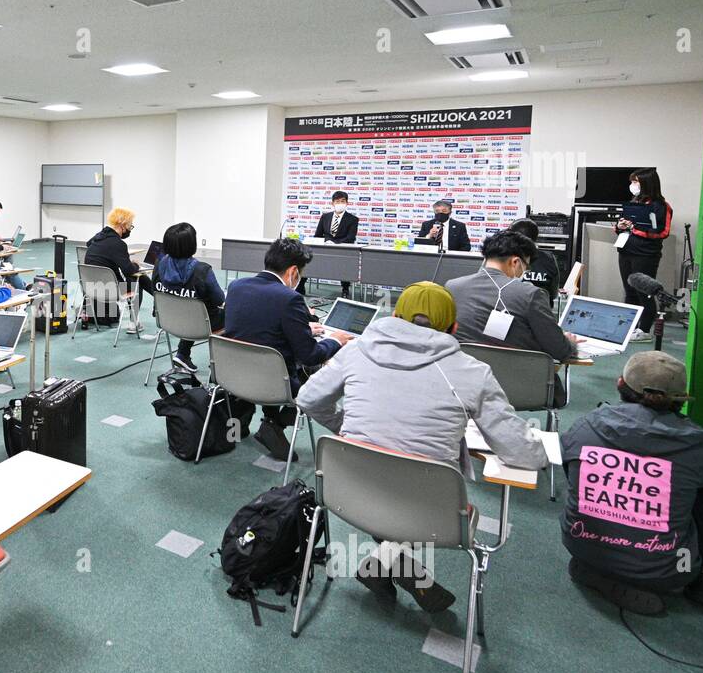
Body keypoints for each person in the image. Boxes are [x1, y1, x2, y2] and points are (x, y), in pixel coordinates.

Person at [298, 282, 548, 610]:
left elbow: (308, 399)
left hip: (347, 494)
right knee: (416, 486)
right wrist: (544, 454)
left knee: (396, 479)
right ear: (454, 328)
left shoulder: (356, 350)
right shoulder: (474, 373)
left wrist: (348, 432)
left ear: (396, 315)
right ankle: (391, 562)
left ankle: (384, 562)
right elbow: (521, 453)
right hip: (432, 513)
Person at [561, 351, 703, 614]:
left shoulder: (585, 425)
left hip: (579, 544)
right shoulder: (700, 445)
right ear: (680, 399)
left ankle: (601, 568)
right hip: (671, 570)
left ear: (620, 384)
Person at [223, 237, 351, 462]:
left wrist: (302, 328)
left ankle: (264, 421)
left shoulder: (236, 286)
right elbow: (310, 355)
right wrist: (337, 341)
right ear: (293, 271)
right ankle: (275, 423)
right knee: (311, 373)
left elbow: (256, 325)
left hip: (233, 376)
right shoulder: (290, 298)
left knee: (273, 353)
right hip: (275, 383)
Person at [446, 229, 578, 406]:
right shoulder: (531, 294)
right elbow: (560, 350)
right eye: (526, 266)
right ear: (515, 262)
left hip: (462, 384)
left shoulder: (453, 287)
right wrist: (570, 342)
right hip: (521, 388)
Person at [152, 221, 225, 373]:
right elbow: (219, 300)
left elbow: (154, 291)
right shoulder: (202, 270)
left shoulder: (159, 264)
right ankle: (224, 366)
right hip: (200, 324)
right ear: (192, 244)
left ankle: (183, 354)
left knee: (190, 309)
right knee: (229, 312)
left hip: (168, 321)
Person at [615, 168, 672, 341]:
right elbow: (620, 226)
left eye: (636, 182)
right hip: (626, 251)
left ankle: (645, 330)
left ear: (646, 183)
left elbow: (662, 232)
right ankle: (629, 326)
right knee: (629, 291)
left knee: (644, 292)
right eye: (632, 182)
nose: (632, 185)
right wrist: (620, 226)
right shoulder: (634, 202)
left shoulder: (661, 206)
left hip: (646, 255)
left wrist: (635, 229)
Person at [84, 206, 155, 332]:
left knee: (136, 277)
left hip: (91, 286)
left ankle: (158, 296)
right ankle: (135, 322)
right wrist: (136, 264)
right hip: (111, 289)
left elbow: (89, 245)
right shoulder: (118, 244)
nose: (130, 229)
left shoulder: (98, 237)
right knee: (137, 278)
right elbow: (129, 271)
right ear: (122, 225)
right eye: (130, 226)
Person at [314, 190, 359, 297]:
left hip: (343, 250)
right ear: (332, 203)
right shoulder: (325, 217)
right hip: (325, 249)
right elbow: (318, 235)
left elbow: (351, 238)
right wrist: (326, 243)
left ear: (347, 203)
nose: (340, 203)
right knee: (308, 259)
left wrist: (335, 243)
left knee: (345, 262)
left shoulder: (353, 219)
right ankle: (301, 286)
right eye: (337, 201)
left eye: (343, 201)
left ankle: (345, 289)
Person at [509, 218, 560, 306]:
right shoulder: (549, 258)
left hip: (512, 310)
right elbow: (554, 294)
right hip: (543, 311)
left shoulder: (503, 258)